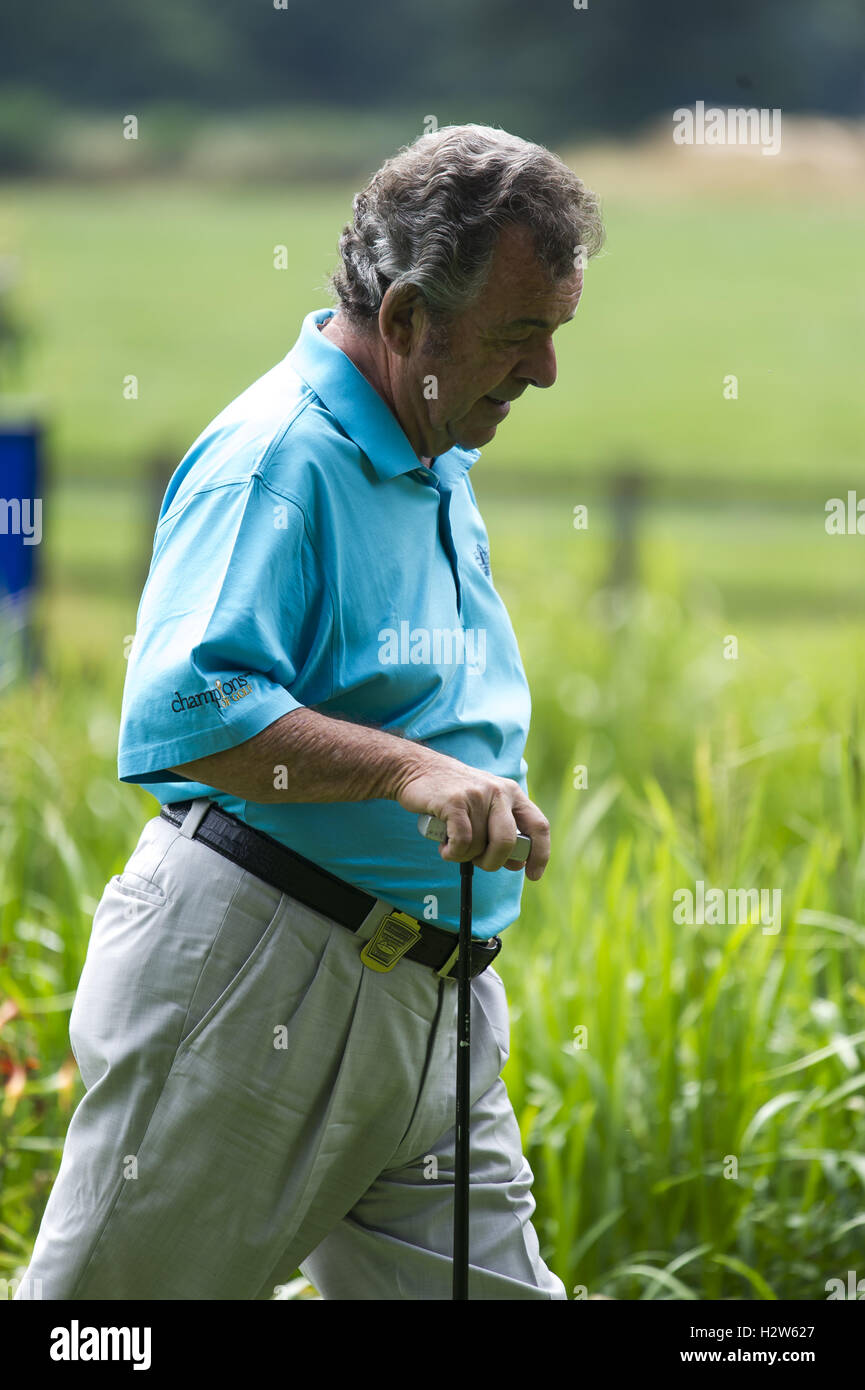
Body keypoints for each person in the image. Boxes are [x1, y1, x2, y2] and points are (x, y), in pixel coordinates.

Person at [16, 123, 603, 1301]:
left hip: (431, 1001)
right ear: (401, 321)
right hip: (258, 984)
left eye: (555, 331)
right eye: (518, 333)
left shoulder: (431, 437)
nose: (543, 371)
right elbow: (187, 706)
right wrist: (408, 775)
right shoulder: (281, 457)